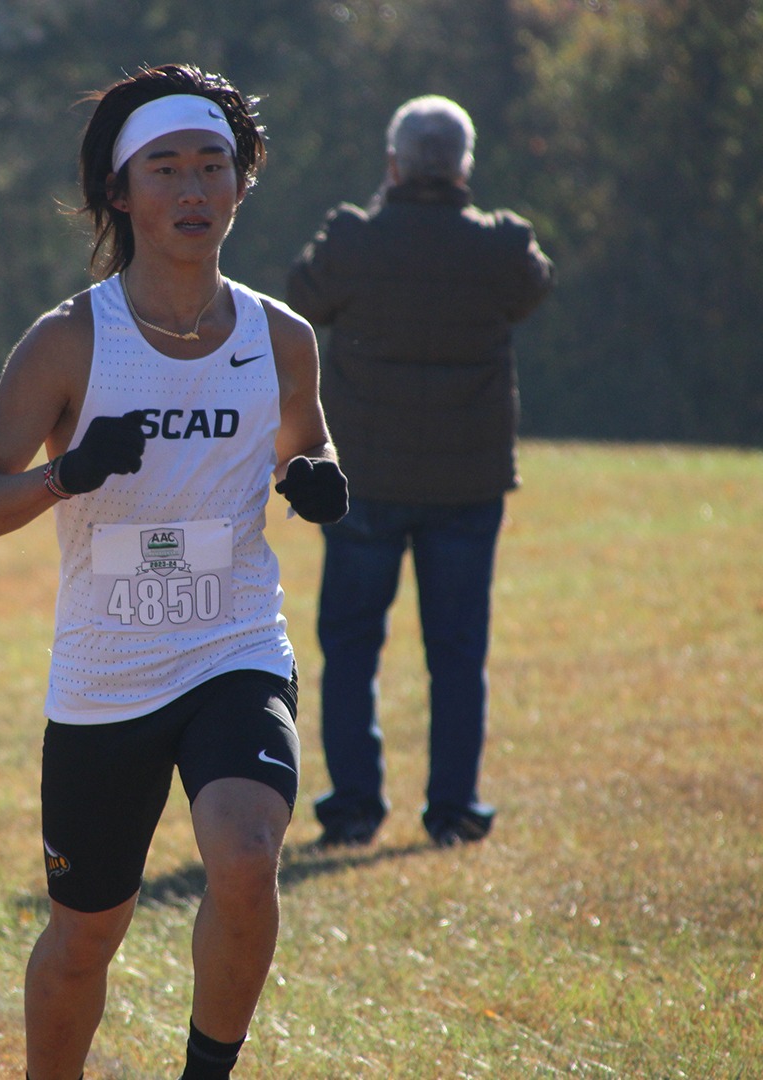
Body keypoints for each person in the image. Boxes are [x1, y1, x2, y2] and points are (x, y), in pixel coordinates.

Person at [0, 63, 348, 1080]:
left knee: (247, 862)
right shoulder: (71, 341)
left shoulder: (279, 337)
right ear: (121, 193)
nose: (194, 189)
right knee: (86, 935)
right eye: (165, 168)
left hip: (233, 643)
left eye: (214, 166)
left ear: (242, 187)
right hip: (107, 671)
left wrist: (319, 479)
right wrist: (64, 476)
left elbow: (308, 446)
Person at [286, 95, 554, 850]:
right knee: (459, 651)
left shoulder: (355, 238)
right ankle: (455, 809)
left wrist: (376, 211)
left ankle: (355, 807)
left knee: (349, 645)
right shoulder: (499, 246)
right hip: (467, 486)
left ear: (393, 163)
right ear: (465, 166)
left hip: (364, 481)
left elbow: (301, 297)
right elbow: (535, 288)